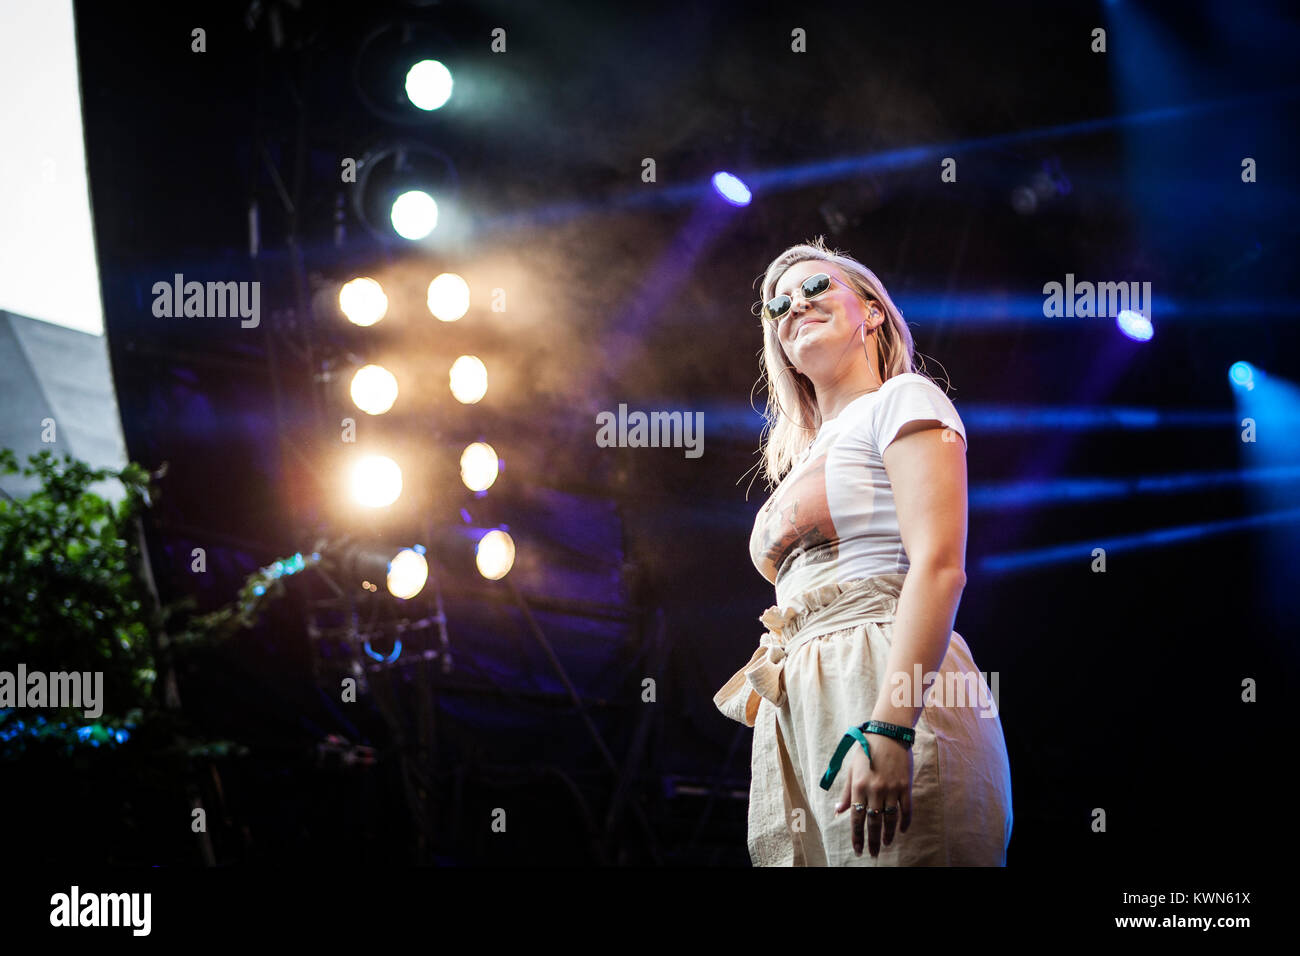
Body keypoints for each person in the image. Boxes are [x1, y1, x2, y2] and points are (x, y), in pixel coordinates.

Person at [714, 237, 1013, 866]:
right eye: (778, 305)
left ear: (871, 311)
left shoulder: (904, 399)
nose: (795, 305)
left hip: (883, 677)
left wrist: (891, 725)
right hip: (804, 704)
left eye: (816, 288)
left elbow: (939, 566)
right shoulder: (798, 465)